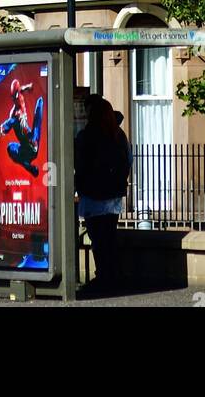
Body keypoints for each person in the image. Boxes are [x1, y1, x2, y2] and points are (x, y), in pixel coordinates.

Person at [75, 96, 132, 293]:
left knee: (98, 239)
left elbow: (80, 165)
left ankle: (103, 276)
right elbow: (128, 161)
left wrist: (79, 185)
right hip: (113, 193)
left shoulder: (86, 136)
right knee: (109, 236)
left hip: (93, 193)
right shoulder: (118, 134)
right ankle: (113, 275)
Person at [0, 78, 44, 178]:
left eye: (16, 95)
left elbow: (20, 90)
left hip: (32, 145)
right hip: (27, 149)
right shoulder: (15, 114)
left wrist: (28, 87)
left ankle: (27, 163)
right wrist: (1, 129)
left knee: (39, 109)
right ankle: (28, 166)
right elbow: (11, 122)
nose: (16, 98)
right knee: (10, 147)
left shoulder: (19, 100)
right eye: (14, 97)